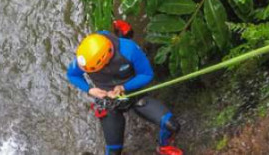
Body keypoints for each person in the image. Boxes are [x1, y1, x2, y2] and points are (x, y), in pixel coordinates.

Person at [66, 20, 183, 155]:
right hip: (109, 102)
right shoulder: (87, 58)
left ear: (105, 59)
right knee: (113, 152)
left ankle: (164, 147)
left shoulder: (129, 50)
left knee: (171, 125)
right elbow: (73, 75)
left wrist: (123, 87)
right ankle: (122, 30)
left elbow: (146, 74)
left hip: (135, 95)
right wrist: (90, 90)